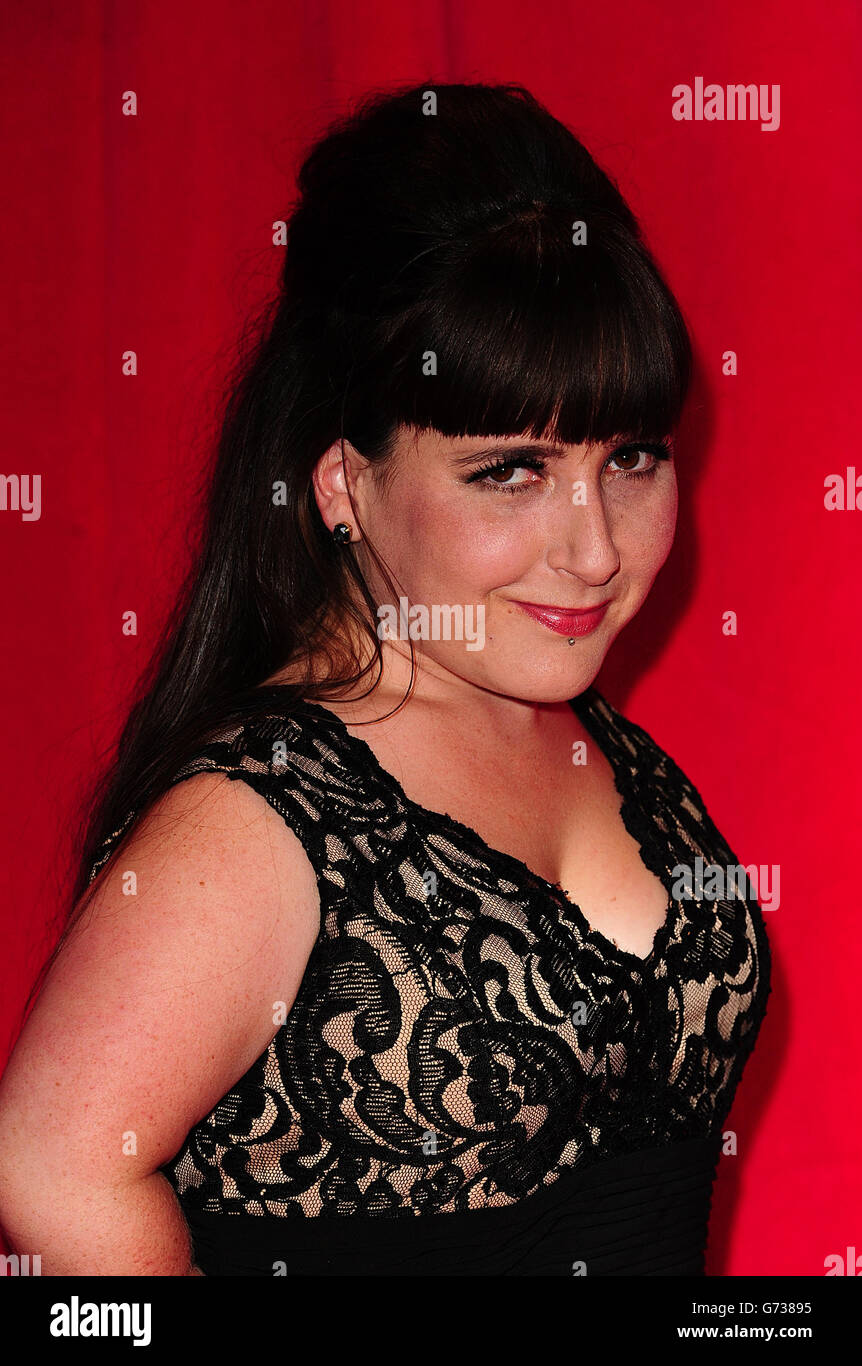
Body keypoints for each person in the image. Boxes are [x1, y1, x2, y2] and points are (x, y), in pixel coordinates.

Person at [0, 80, 771, 1276]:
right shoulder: (260, 816)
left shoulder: (574, 729)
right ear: (342, 483)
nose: (596, 546)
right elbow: (48, 1164)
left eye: (628, 457)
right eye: (510, 469)